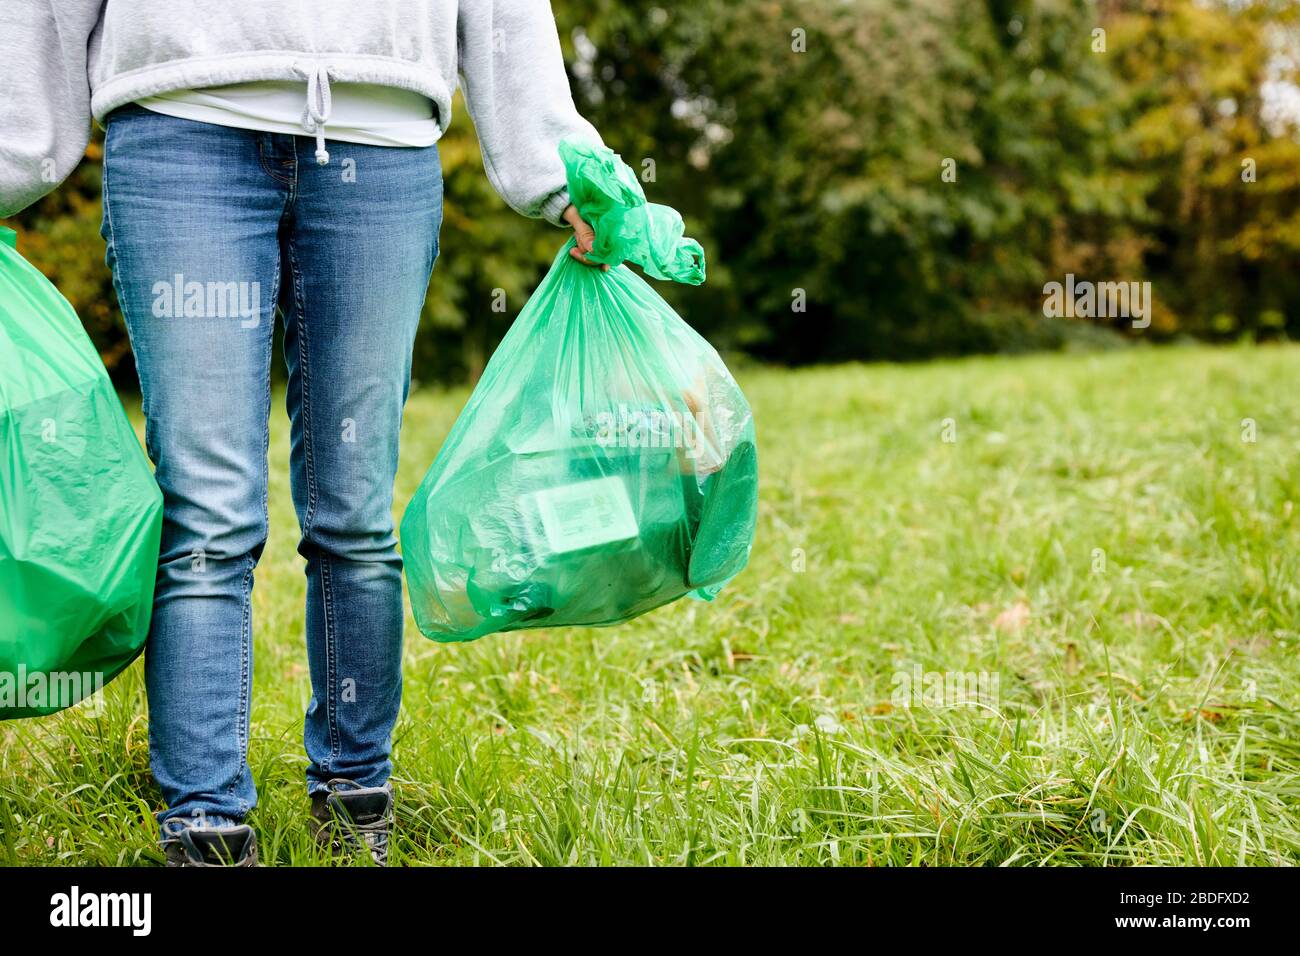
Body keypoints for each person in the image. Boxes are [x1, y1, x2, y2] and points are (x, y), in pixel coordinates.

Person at [0, 0, 609, 867]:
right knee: (205, 513)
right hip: (182, 134)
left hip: (384, 140)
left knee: (354, 511)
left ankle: (356, 796)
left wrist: (560, 171)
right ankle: (205, 825)